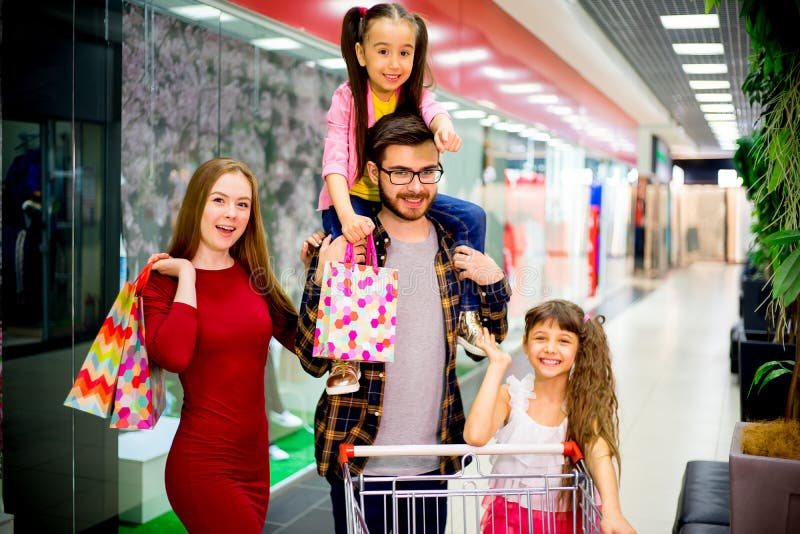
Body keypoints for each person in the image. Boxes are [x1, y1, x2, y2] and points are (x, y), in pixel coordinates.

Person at [295, 111, 511, 534]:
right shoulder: (354, 249)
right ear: (374, 173)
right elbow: (313, 361)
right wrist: (321, 278)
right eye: (400, 173)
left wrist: (494, 283)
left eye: (427, 171)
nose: (416, 186)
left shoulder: (455, 248)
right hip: (358, 456)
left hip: (433, 462)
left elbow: (482, 345)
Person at [319, 3, 489, 396]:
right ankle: (345, 356)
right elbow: (334, 163)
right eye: (382, 51)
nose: (394, 63)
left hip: (400, 193)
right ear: (361, 54)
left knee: (473, 217)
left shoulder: (414, 94)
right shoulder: (347, 98)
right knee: (355, 253)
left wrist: (444, 129)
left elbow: (435, 112)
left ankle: (466, 313)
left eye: (404, 52)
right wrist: (346, 218)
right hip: (354, 197)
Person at [142, 158, 298, 533]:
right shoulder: (163, 282)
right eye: (219, 200)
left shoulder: (252, 274)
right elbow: (174, 356)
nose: (232, 214)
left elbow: (308, 345)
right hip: (203, 464)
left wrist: (322, 273)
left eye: (242, 204)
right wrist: (187, 276)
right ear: (197, 203)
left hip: (255, 462)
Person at [464, 300, 635, 534]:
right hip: (511, 521)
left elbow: (599, 453)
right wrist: (496, 365)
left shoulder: (583, 402)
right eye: (540, 338)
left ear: (579, 350)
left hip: (568, 519)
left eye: (563, 341)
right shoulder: (511, 397)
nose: (550, 348)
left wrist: (613, 512)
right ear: (525, 344)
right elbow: (475, 435)